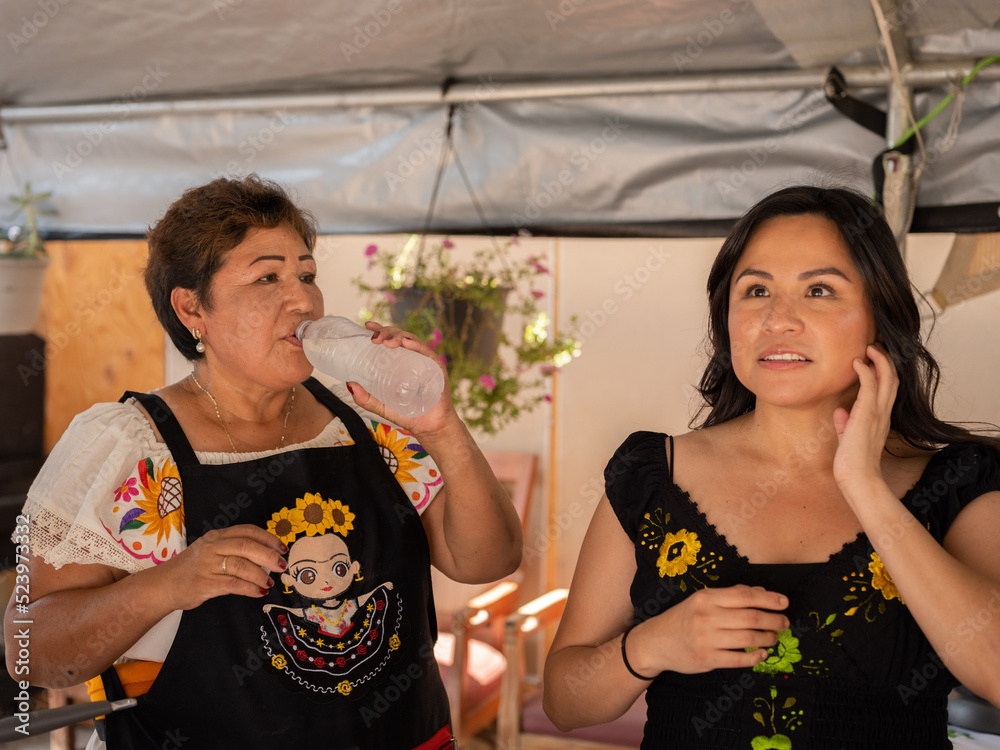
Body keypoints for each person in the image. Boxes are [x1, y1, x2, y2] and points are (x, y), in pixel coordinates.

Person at [4, 174, 522, 749]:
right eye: (267, 277)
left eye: (306, 274)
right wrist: (168, 584)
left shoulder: (370, 422)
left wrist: (444, 428)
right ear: (192, 308)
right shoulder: (128, 447)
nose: (302, 299)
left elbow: (489, 561)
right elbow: (29, 652)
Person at [543, 185, 1000, 749]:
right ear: (727, 320)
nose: (778, 319)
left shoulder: (960, 484)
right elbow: (563, 703)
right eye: (756, 290)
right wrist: (651, 647)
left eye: (819, 290)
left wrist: (867, 490)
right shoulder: (652, 475)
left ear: (879, 321)